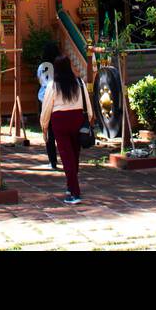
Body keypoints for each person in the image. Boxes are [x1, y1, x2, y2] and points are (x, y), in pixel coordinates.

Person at [39, 55, 94, 204]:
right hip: (77, 120)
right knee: (74, 156)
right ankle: (71, 187)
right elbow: (87, 104)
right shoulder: (79, 82)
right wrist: (88, 120)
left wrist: (44, 126)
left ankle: (75, 193)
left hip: (60, 122)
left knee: (67, 157)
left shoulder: (53, 85)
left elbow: (46, 108)